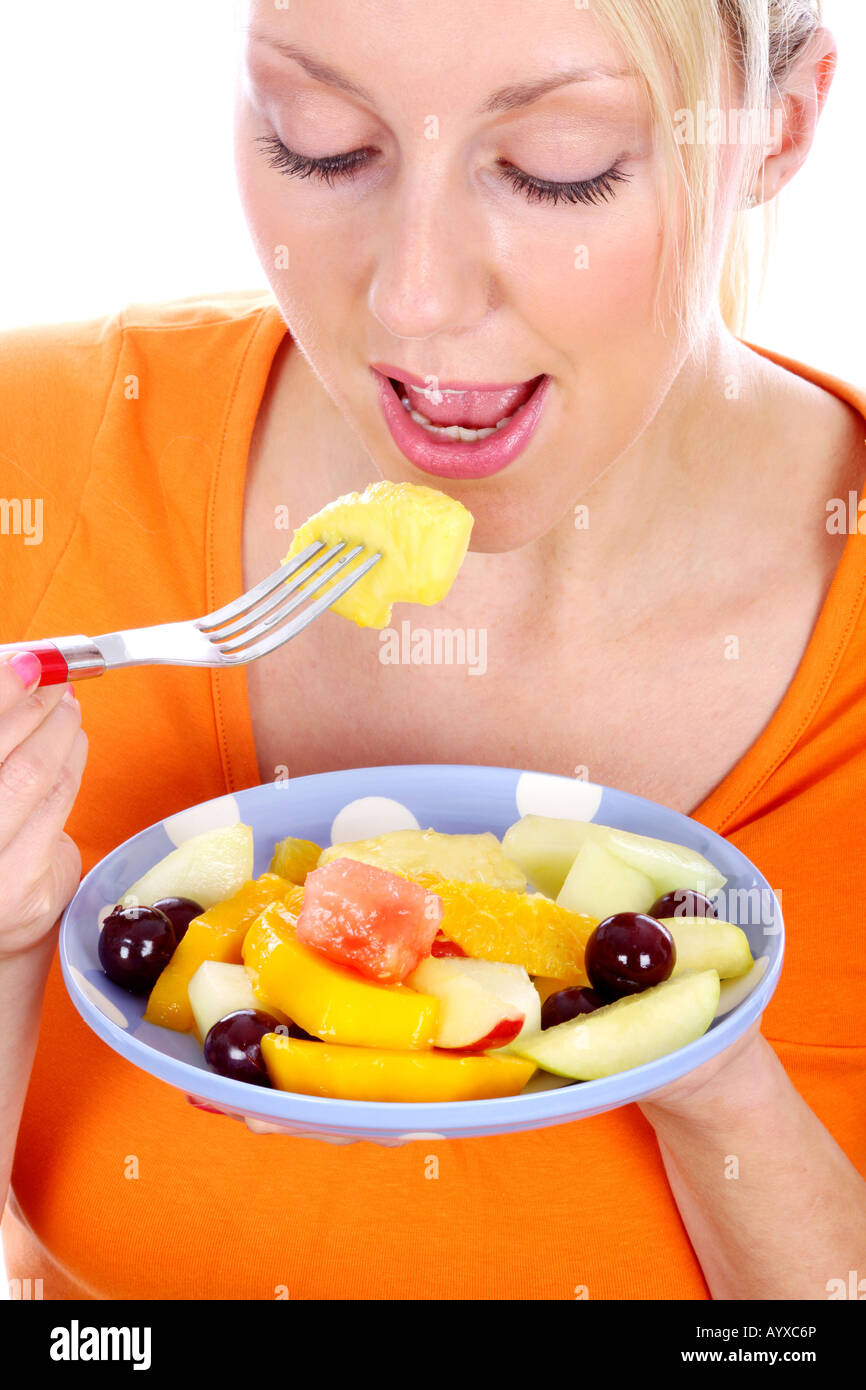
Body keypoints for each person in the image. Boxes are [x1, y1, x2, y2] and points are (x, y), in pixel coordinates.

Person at [1, 0, 864, 1301]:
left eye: (557, 164)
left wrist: (711, 1076)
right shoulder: (38, 461)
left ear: (775, 129)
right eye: (321, 143)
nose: (412, 295)